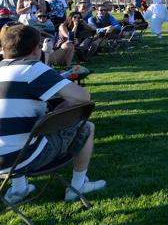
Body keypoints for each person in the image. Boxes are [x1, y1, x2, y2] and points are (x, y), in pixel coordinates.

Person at [0, 24, 105, 204]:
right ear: (36, 49)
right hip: (25, 158)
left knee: (16, 132)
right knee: (87, 127)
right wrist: (58, 110)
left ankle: (19, 189)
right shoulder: (32, 69)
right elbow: (83, 97)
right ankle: (77, 187)